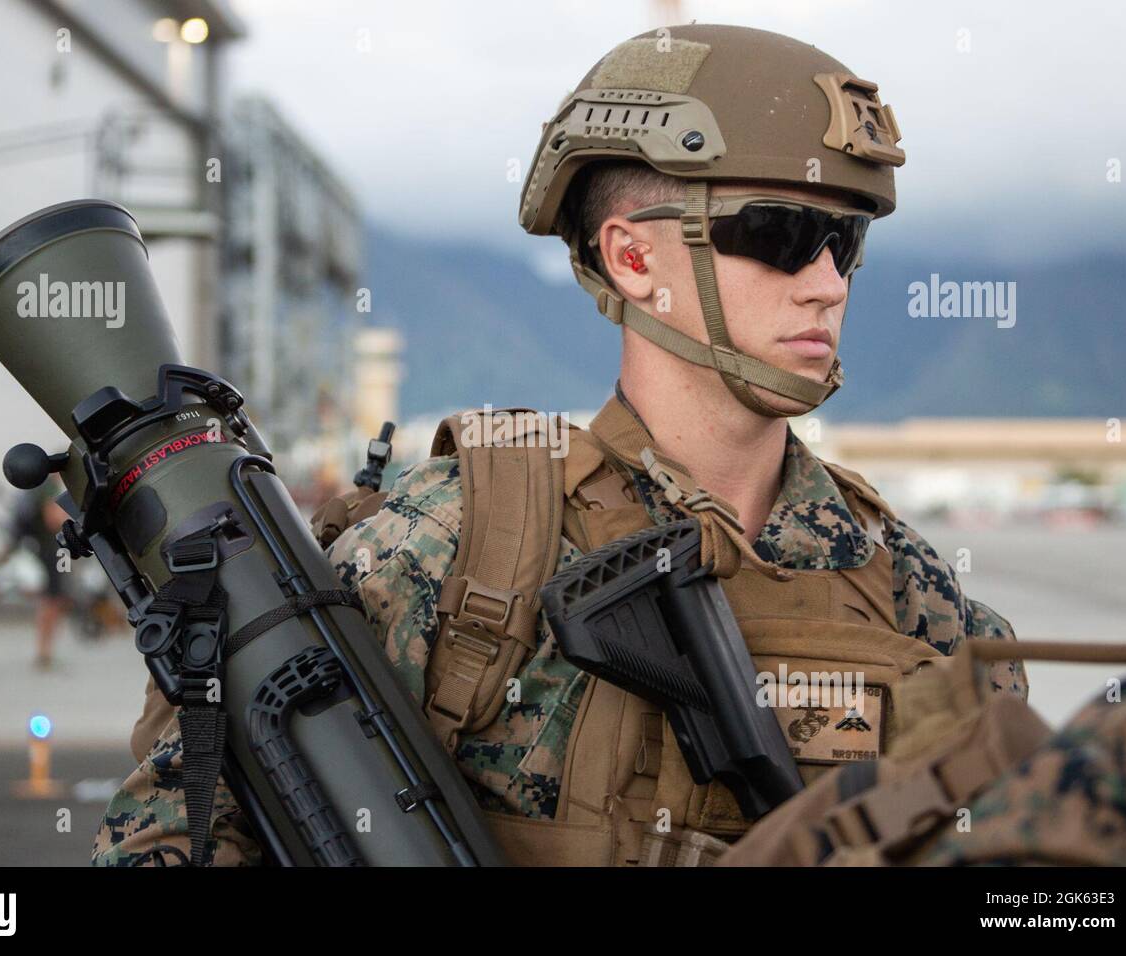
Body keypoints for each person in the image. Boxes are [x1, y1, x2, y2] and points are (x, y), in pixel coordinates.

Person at [92, 24, 1025, 866]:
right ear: (632, 259)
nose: (827, 284)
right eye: (782, 235)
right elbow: (182, 822)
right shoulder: (455, 549)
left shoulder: (908, 590)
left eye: (845, 243)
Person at [0, 478, 70, 668]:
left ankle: (44, 650)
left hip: (44, 549)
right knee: (54, 599)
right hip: (56, 550)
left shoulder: (37, 486)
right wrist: (73, 522)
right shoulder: (50, 487)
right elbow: (53, 520)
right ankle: (45, 651)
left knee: (50, 599)